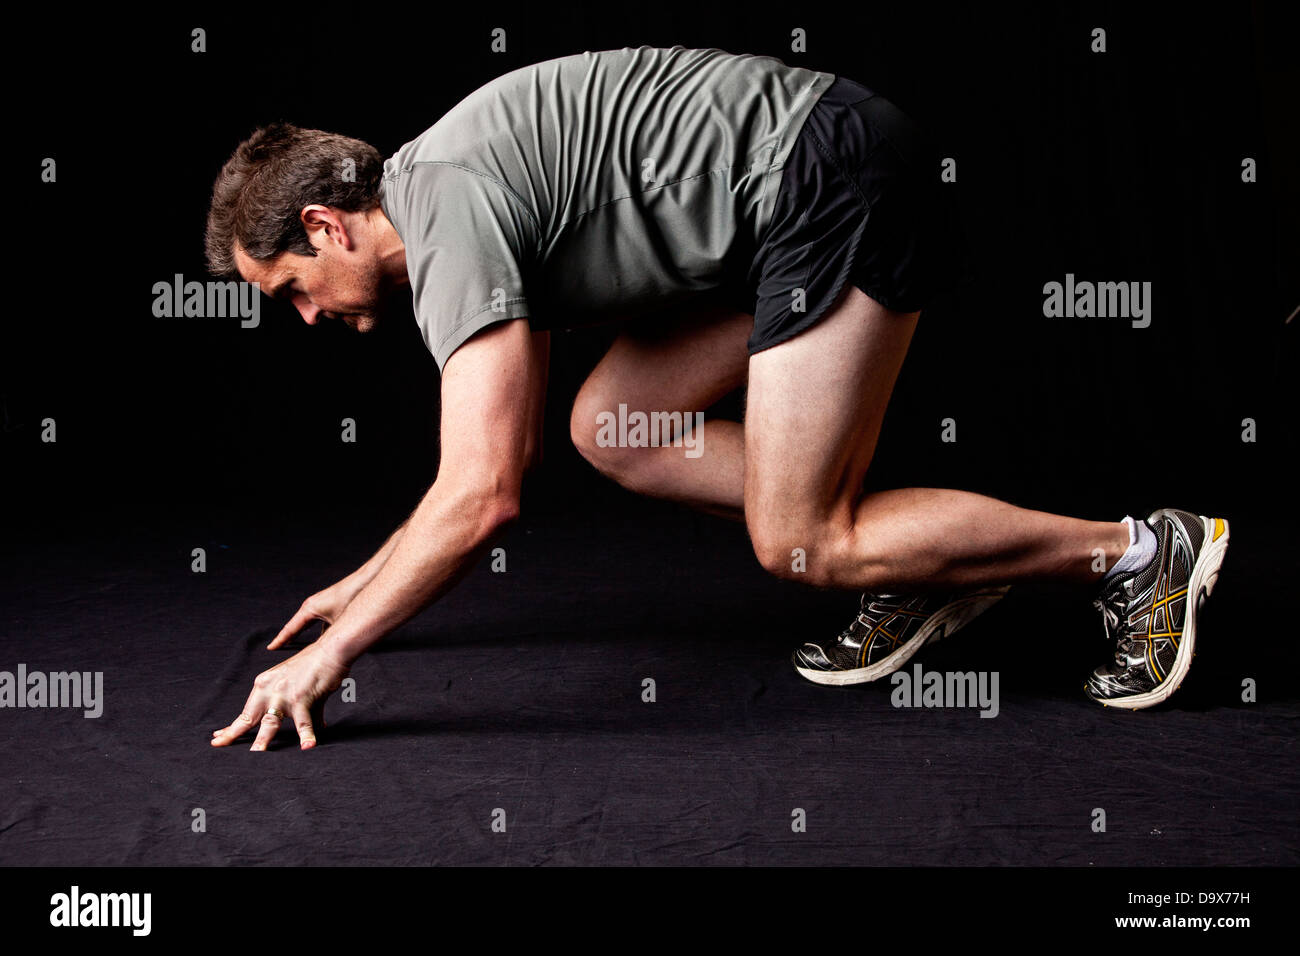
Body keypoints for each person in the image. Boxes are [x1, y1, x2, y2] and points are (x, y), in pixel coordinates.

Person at [204, 46, 1229, 752]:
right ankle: (919, 568)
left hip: (830, 182)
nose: (304, 317)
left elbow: (484, 495)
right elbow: (494, 458)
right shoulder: (445, 192)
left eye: (290, 290)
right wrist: (368, 575)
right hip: (786, 203)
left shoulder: (450, 217)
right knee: (611, 427)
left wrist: (335, 656)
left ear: (326, 225)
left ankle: (1139, 552)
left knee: (801, 541)